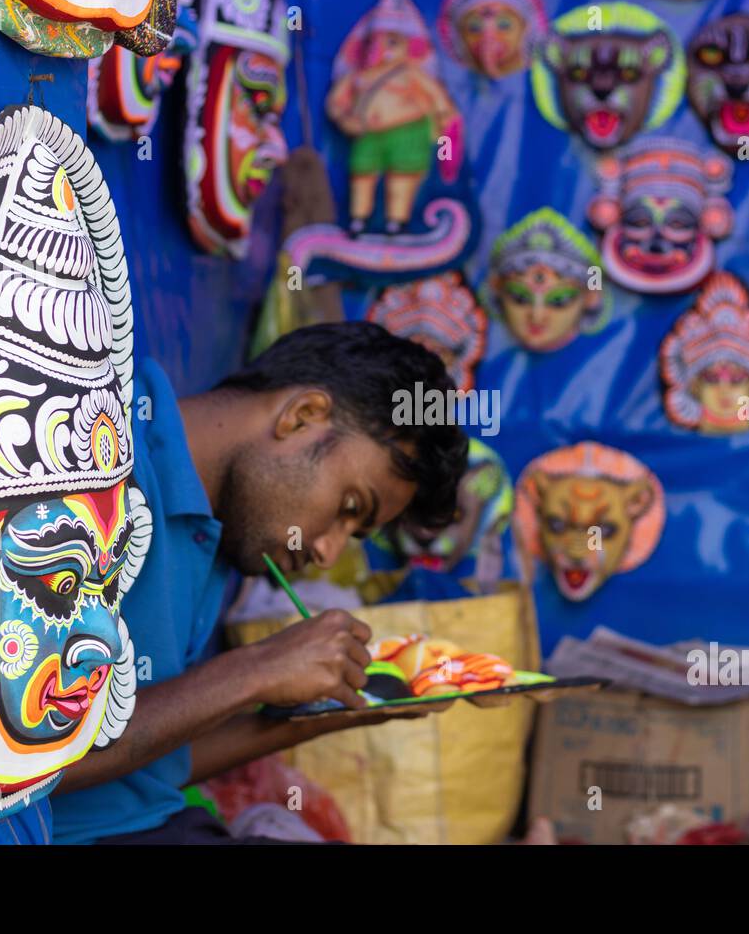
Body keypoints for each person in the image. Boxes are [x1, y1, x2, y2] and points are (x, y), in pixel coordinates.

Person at [50, 322, 469, 843]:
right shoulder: (86, 453)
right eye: (349, 507)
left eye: (356, 533)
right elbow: (15, 758)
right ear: (302, 417)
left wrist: (318, 717)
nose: (327, 551)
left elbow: (142, 771)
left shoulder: (219, 532)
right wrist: (255, 670)